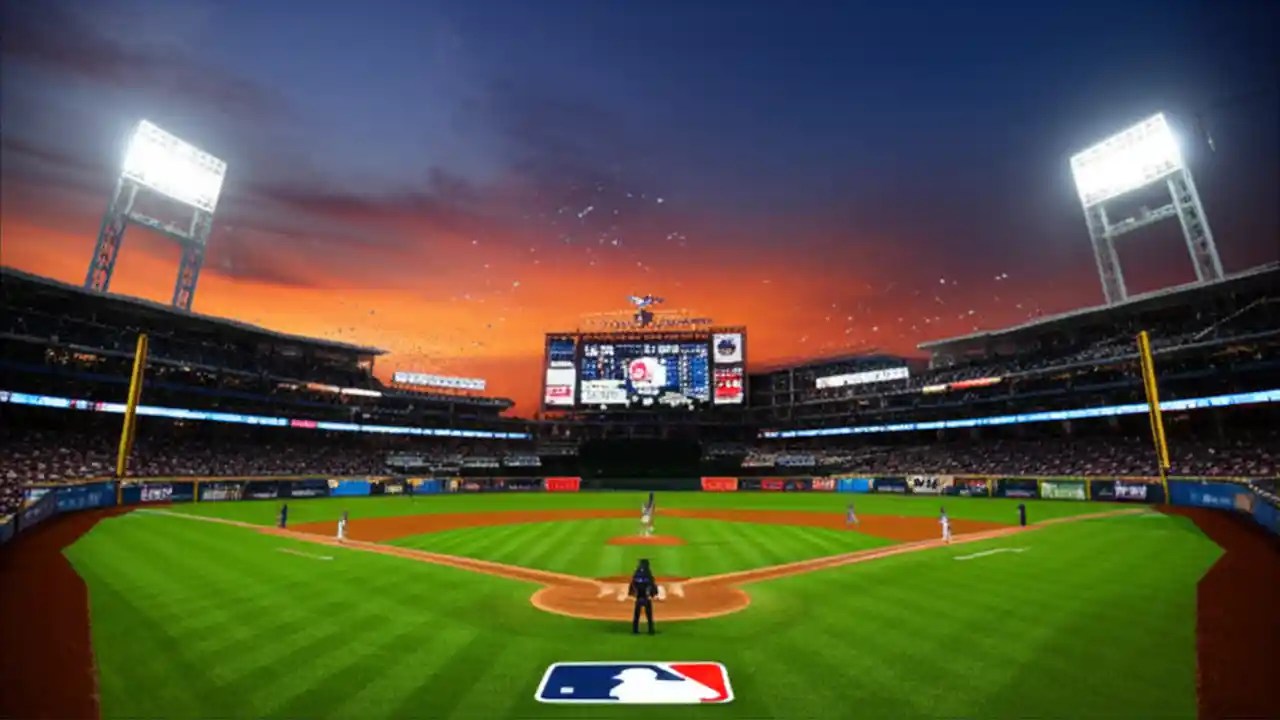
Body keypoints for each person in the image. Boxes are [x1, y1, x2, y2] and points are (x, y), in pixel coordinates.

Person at [628, 558, 660, 635]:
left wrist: (632, 593)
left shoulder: (637, 573)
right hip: (646, 597)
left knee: (636, 615)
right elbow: (652, 585)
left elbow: (633, 584)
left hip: (639, 597)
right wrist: (653, 594)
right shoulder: (648, 573)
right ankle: (650, 630)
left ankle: (635, 630)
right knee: (649, 615)